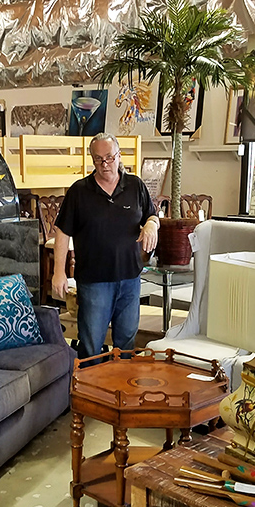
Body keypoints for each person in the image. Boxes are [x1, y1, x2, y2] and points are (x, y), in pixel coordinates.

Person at [52, 132, 159, 360]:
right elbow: (62, 232)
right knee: (91, 344)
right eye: (98, 159)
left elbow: (152, 215)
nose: (105, 164)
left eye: (109, 157)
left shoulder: (135, 186)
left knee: (127, 344)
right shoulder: (79, 191)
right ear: (92, 160)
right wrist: (58, 272)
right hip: (94, 281)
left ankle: (121, 391)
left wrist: (151, 225)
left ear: (119, 156)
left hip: (130, 279)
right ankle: (90, 393)